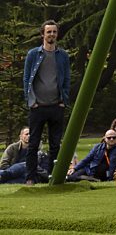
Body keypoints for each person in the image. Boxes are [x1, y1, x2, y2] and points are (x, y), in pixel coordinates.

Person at [23, 20, 70, 184]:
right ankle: (30, 177)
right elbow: (27, 79)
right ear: (43, 34)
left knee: (55, 145)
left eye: (54, 32)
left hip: (56, 106)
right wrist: (31, 101)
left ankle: (53, 177)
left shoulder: (62, 56)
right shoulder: (33, 54)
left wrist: (64, 100)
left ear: (57, 34)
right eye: (48, 32)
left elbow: (66, 79)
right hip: (38, 107)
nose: (51, 35)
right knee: (33, 144)